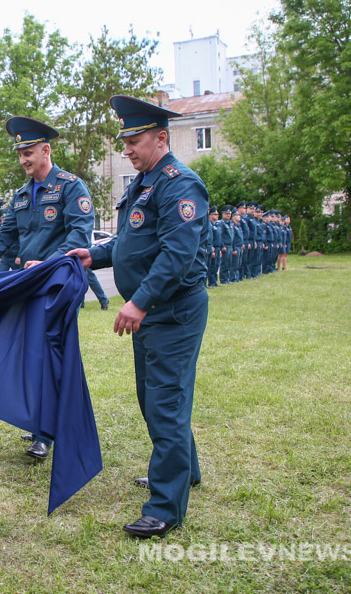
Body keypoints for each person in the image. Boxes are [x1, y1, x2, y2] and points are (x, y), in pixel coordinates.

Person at [67, 95, 209, 539]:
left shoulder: (180, 184)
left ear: (161, 138)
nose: (127, 148)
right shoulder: (145, 183)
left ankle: (166, 506)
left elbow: (177, 254)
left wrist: (139, 301)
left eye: (135, 139)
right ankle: (185, 472)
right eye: (125, 140)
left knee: (165, 404)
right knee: (154, 400)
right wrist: (95, 254)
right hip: (152, 312)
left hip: (172, 310)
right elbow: (132, 243)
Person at [0, 116, 95, 459]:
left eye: (29, 152)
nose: (24, 159)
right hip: (28, 284)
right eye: (20, 154)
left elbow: (78, 237)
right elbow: (4, 236)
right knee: (31, 354)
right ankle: (40, 421)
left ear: (46, 150)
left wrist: (48, 262)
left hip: (56, 283)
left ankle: (46, 431)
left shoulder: (71, 187)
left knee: (49, 353)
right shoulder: (21, 195)